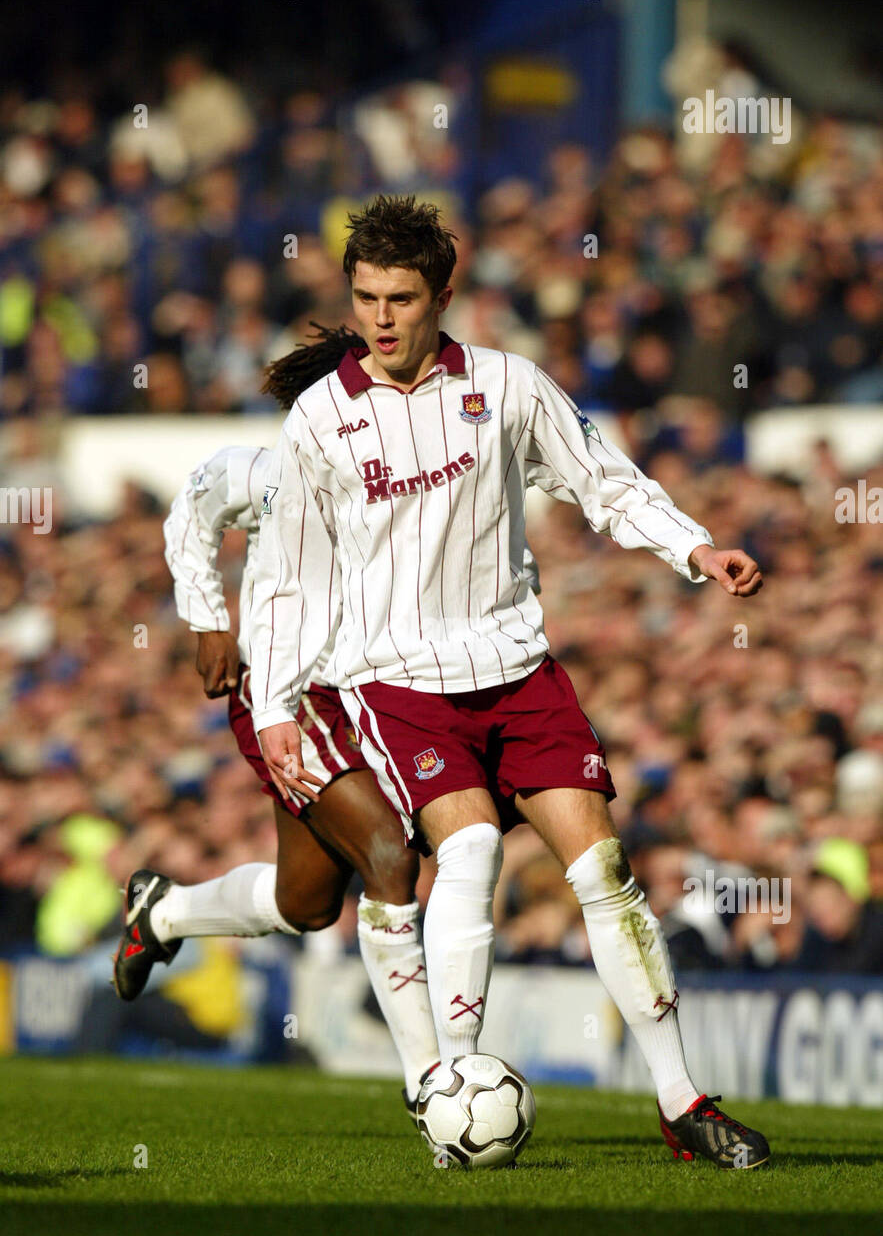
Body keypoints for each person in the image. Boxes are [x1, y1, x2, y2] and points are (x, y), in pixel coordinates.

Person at [250, 195, 771, 1169]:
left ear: (443, 295)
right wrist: (275, 706)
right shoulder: (320, 421)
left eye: (402, 298)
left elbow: (602, 479)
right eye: (365, 299)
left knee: (602, 869)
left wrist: (692, 546)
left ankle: (681, 1099)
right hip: (396, 677)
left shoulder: (507, 386)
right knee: (475, 844)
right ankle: (456, 1086)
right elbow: (288, 573)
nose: (381, 320)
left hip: (518, 667)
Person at [112, 329, 440, 1117]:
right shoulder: (264, 472)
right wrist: (206, 618)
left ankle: (165, 910)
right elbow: (190, 506)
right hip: (289, 697)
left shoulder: (411, 478)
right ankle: (434, 1079)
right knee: (391, 857)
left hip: (375, 696)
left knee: (306, 905)